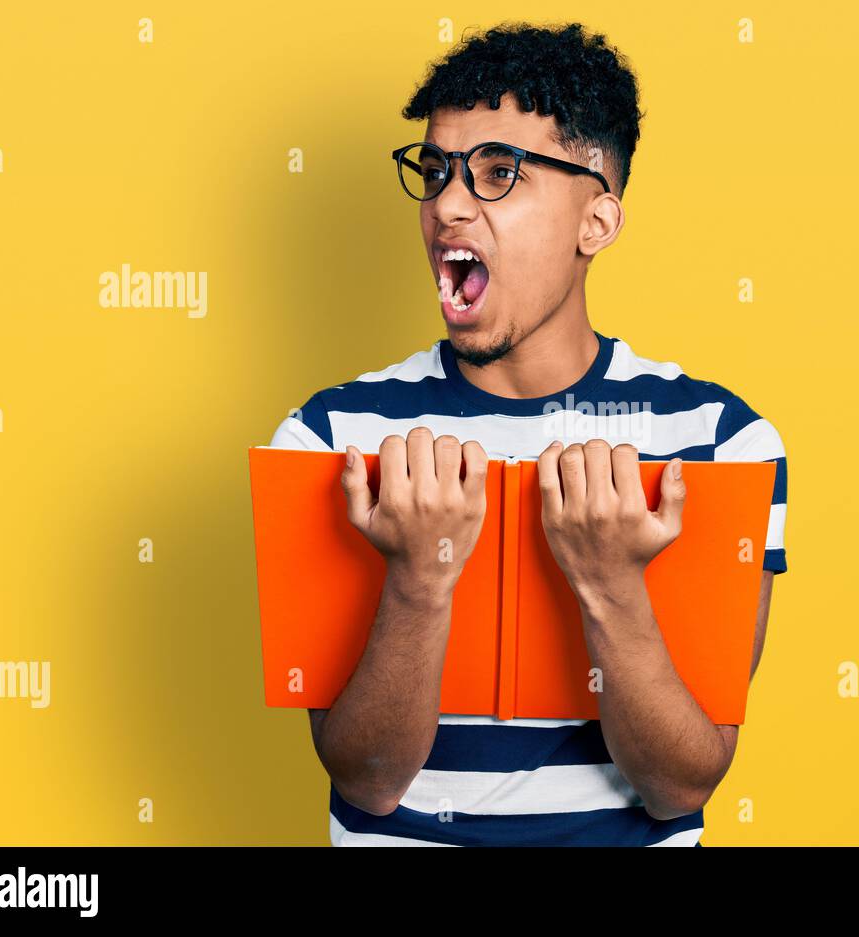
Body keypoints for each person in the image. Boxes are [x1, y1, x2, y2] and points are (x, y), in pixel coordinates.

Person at [269, 22, 788, 846]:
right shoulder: (329, 437)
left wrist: (612, 583)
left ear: (597, 222)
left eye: (498, 173)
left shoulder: (720, 442)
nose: (446, 205)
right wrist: (419, 578)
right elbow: (366, 780)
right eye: (435, 171)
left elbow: (680, 781)